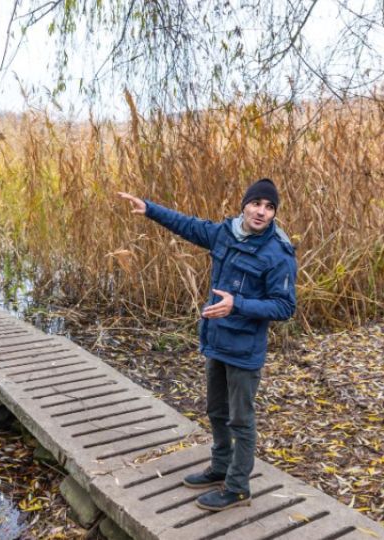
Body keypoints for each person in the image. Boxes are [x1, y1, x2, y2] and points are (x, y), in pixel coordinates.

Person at [117, 178, 297, 512]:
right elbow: (187, 224)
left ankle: (238, 487)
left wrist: (238, 304)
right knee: (216, 411)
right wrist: (149, 209)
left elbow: (285, 307)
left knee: (240, 421)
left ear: (273, 213)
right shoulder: (225, 233)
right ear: (244, 204)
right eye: (256, 203)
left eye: (269, 207)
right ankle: (220, 467)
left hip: (244, 350)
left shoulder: (278, 254)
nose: (261, 211)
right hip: (216, 341)